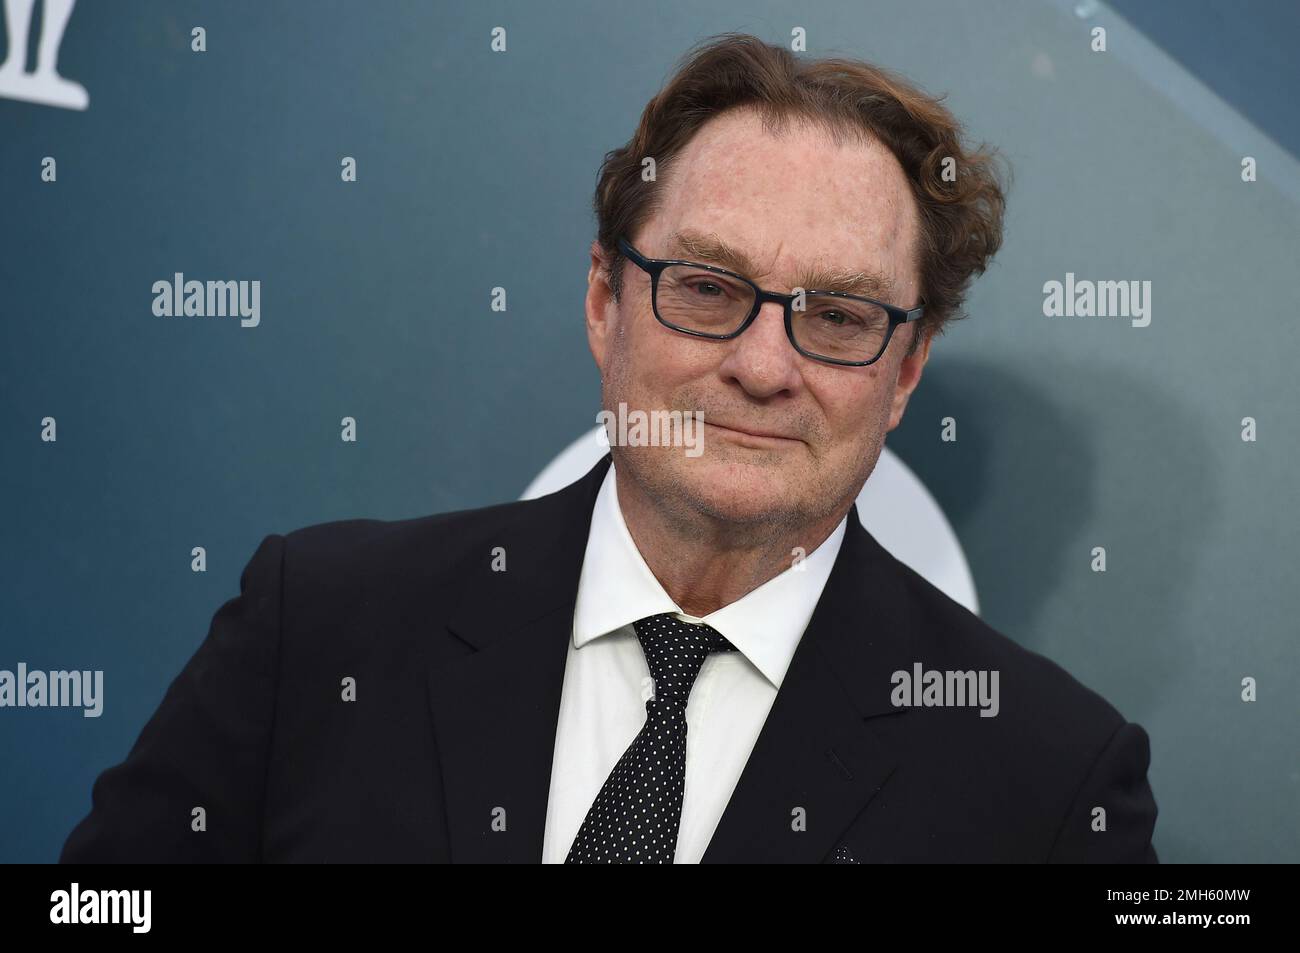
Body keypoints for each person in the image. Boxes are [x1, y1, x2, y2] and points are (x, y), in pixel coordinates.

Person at [61, 33, 1157, 864]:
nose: (765, 366)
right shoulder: (321, 624)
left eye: (837, 316)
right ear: (604, 302)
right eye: (709, 287)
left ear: (904, 371)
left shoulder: (1048, 779)